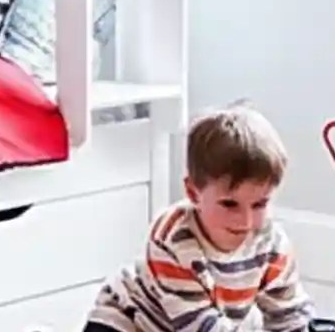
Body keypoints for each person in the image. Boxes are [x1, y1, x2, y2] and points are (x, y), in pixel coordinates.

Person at [84, 102, 321, 332]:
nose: (246, 222)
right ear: (193, 193)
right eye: (229, 204)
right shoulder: (173, 239)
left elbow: (288, 314)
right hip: (130, 318)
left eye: (260, 204)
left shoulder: (271, 244)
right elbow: (200, 326)